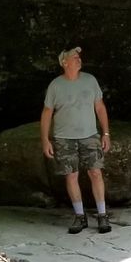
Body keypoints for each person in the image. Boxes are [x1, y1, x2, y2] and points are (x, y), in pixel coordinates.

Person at [41, 46, 112, 235]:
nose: (79, 59)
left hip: (89, 135)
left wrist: (105, 134)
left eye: (79, 57)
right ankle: (80, 216)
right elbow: (47, 113)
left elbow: (100, 108)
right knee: (71, 176)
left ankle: (102, 214)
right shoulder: (55, 85)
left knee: (95, 172)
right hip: (64, 138)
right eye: (75, 57)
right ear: (65, 63)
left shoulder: (90, 81)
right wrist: (45, 140)